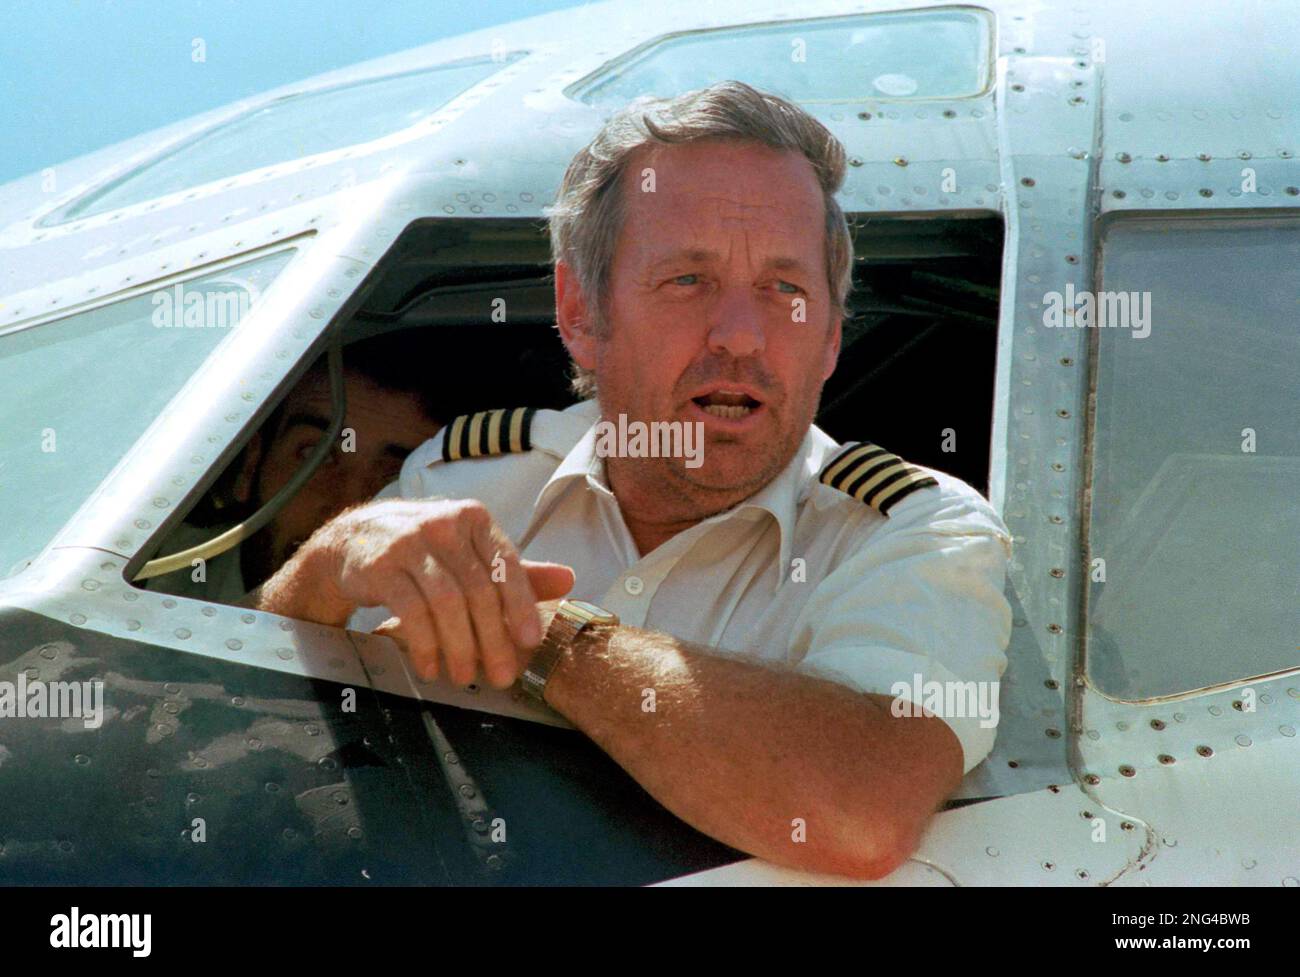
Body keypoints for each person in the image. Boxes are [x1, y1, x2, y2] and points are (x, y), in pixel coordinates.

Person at [254, 81, 1013, 880]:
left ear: (828, 339)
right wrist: (332, 558)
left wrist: (542, 631)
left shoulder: (913, 529)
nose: (742, 336)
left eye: (786, 290)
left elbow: (860, 811)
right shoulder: (462, 476)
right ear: (581, 314)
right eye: (688, 281)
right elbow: (254, 710)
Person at [148, 335, 448, 601]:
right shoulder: (147, 570)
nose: (344, 508)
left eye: (394, 476)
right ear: (250, 467)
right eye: (313, 455)